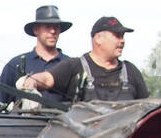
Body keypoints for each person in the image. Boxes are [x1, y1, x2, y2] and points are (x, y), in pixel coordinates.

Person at [18, 15, 149, 102]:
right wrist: (31, 83)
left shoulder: (131, 71)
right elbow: (47, 78)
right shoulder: (75, 67)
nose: (122, 41)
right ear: (98, 39)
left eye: (123, 37)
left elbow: (147, 108)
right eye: (117, 36)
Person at [0, 5, 75, 107]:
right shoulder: (15, 64)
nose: (52, 31)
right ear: (36, 30)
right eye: (48, 27)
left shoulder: (70, 66)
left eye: (56, 27)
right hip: (24, 122)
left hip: (62, 122)